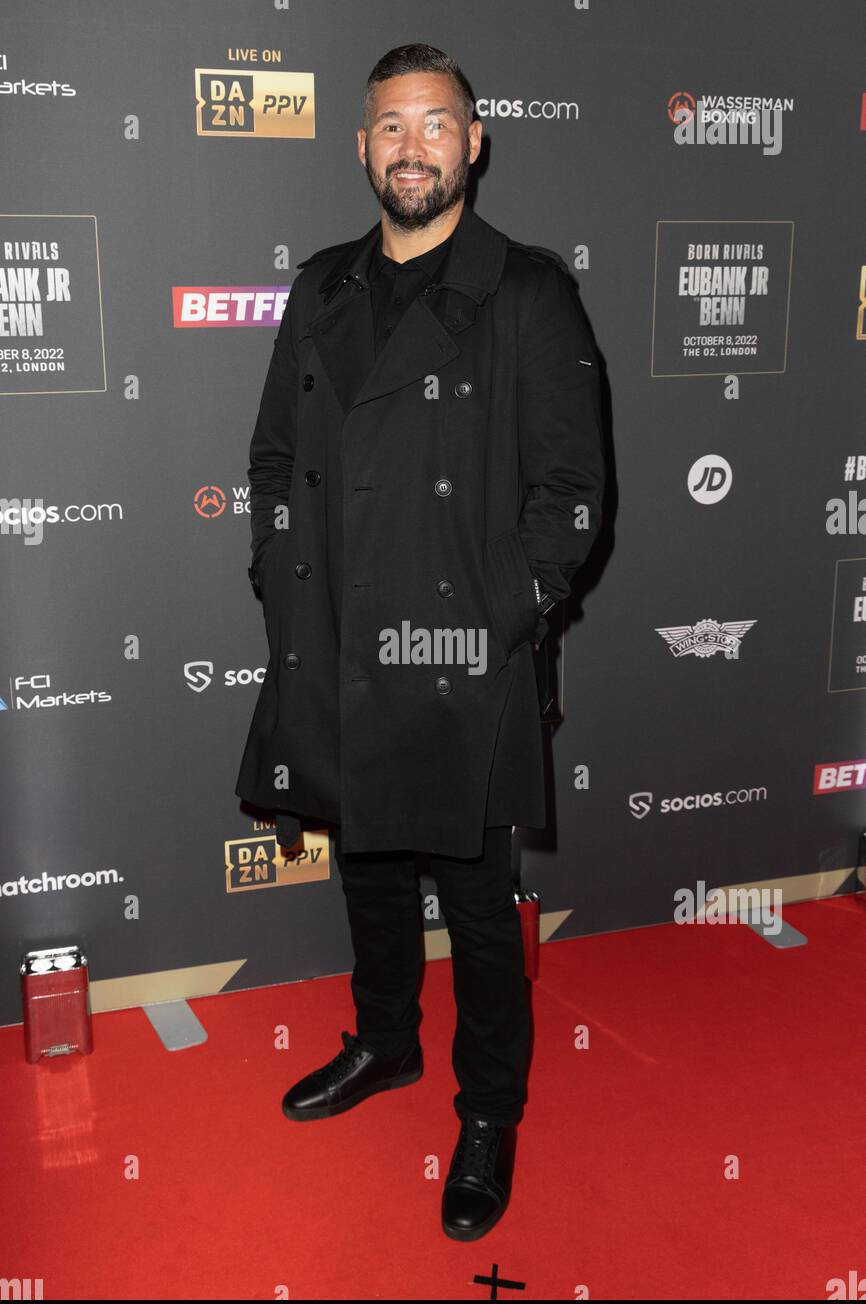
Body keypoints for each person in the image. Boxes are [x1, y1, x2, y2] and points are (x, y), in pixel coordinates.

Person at [235, 43, 606, 1241]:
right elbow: (274, 463)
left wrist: (496, 620)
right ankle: (385, 1043)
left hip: (462, 658)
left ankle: (488, 1109)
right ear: (360, 146)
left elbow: (570, 494)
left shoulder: (528, 292)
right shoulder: (321, 289)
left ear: (474, 141)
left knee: (478, 902)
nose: (410, 146)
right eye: (389, 126)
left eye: (433, 124)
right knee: (368, 869)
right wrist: (286, 594)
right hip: (339, 642)